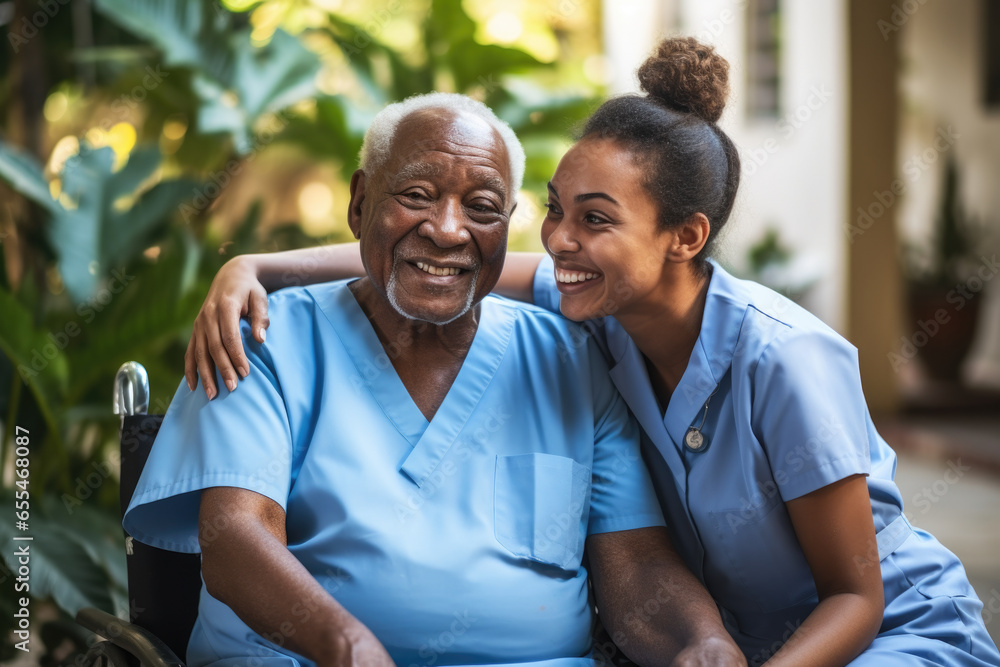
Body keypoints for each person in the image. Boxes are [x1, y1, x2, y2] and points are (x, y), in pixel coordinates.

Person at [184, 38, 1000, 667]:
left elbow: (850, 594)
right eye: (556, 211)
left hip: (881, 632)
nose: (562, 240)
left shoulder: (779, 357)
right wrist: (250, 265)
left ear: (685, 238)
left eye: (595, 219)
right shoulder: (590, 309)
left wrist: (709, 642)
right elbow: (438, 255)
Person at [125, 92, 746, 667]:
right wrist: (349, 646)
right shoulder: (263, 336)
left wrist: (705, 641)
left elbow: (634, 561)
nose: (448, 231)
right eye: (416, 196)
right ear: (360, 202)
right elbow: (235, 539)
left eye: (481, 208)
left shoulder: (572, 359)